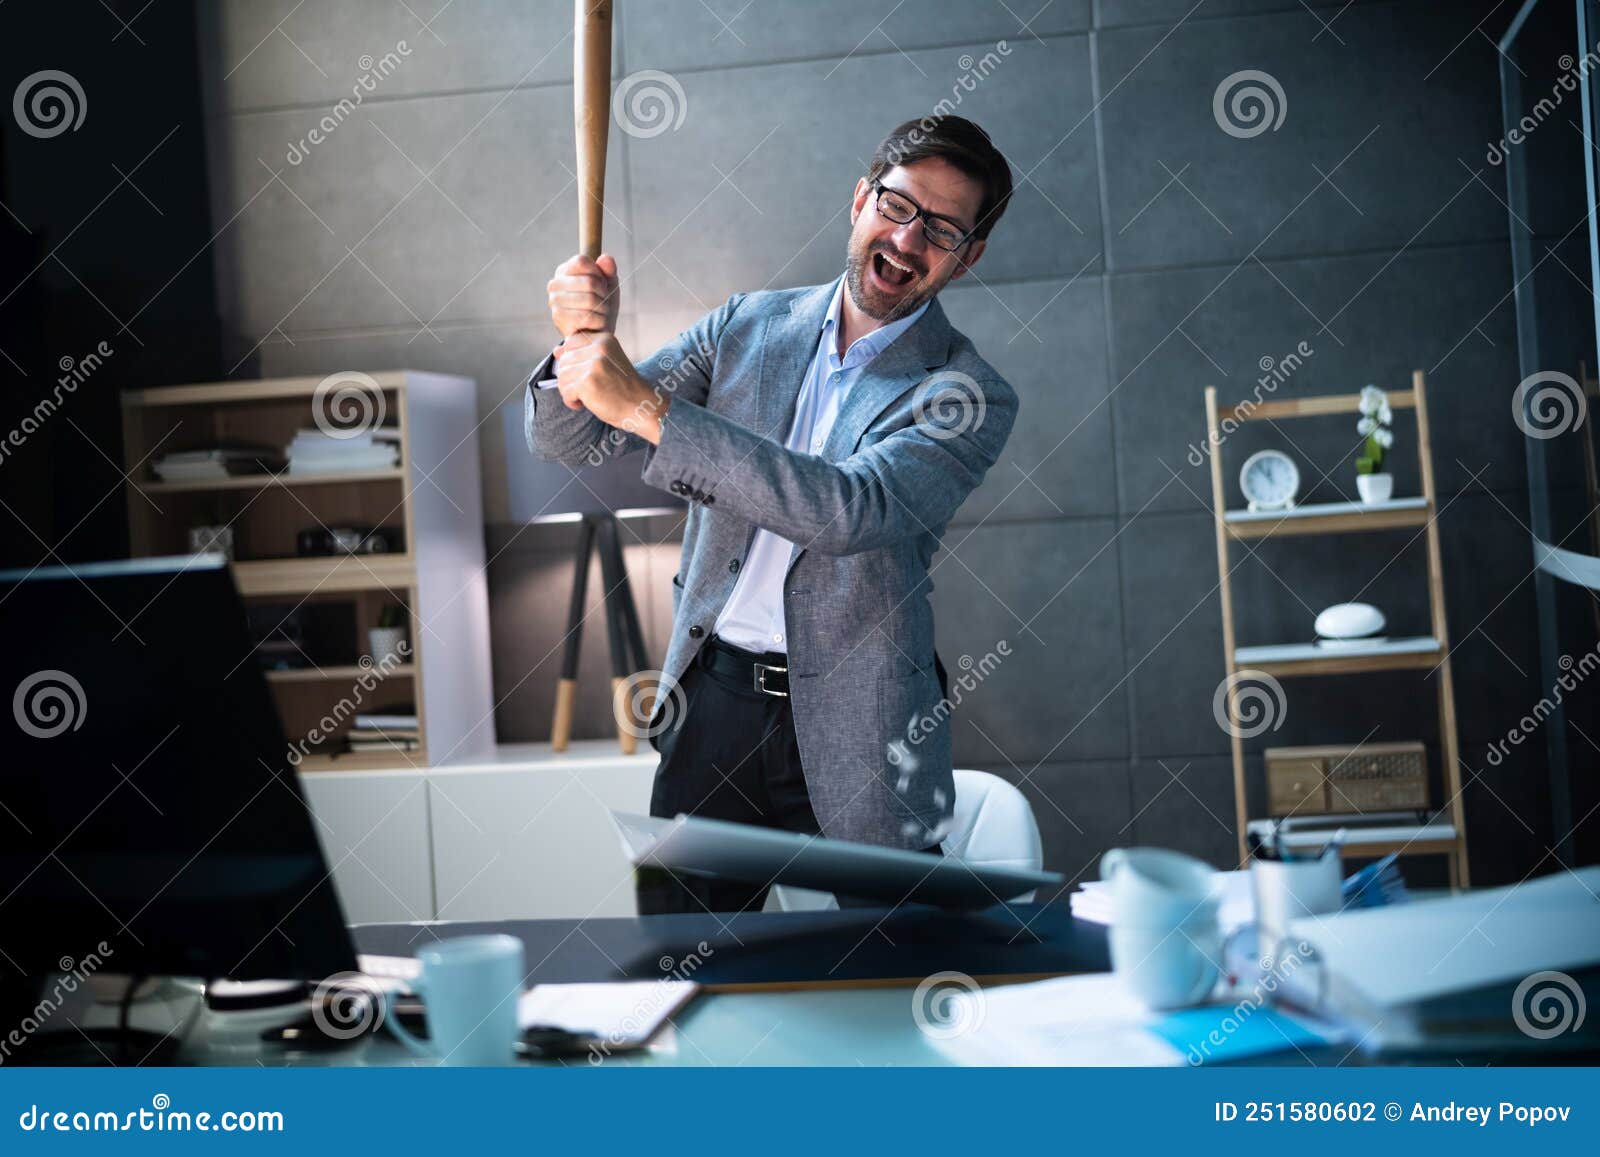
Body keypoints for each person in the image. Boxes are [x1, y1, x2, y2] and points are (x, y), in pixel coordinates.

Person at [524, 115, 1018, 914]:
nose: (908, 238)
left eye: (943, 229)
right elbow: (573, 437)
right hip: (713, 702)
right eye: (896, 206)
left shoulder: (965, 393)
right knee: (681, 974)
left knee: (892, 978)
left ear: (969, 256)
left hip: (868, 718)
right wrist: (578, 341)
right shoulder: (744, 326)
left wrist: (650, 409)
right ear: (861, 199)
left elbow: (847, 508)